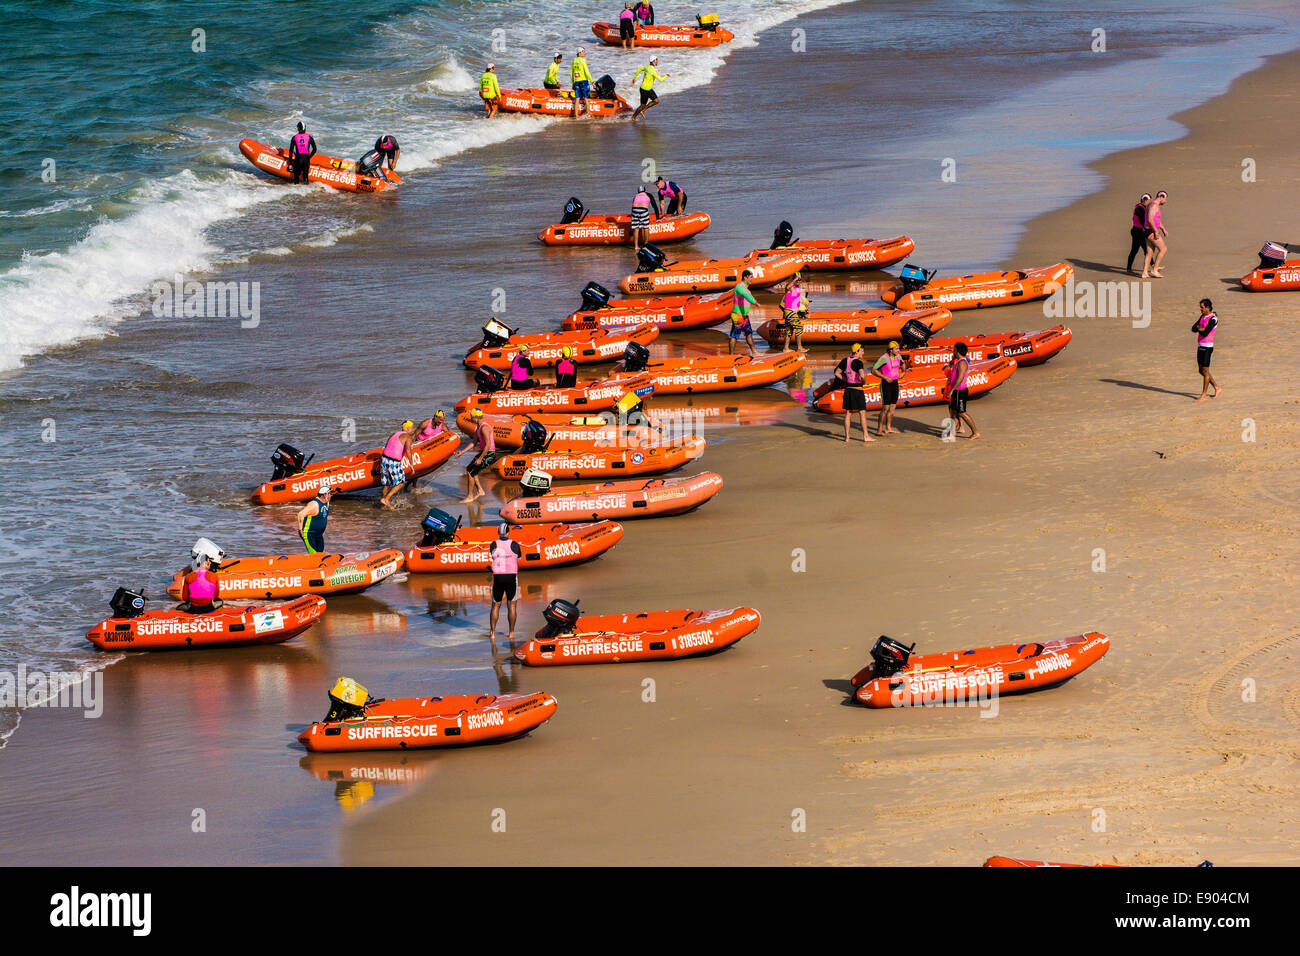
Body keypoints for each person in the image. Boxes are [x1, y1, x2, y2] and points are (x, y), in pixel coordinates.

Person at [488, 523, 523, 639]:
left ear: (498, 533)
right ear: (508, 533)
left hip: (498, 576)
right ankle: (511, 633)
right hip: (511, 577)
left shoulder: (493, 544)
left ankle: (492, 633)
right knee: (511, 605)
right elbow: (518, 558)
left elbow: (492, 556)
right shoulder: (514, 544)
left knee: (495, 605)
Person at [833, 344, 873, 444]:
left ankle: (847, 437)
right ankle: (866, 436)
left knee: (848, 413)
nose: (863, 353)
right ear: (856, 352)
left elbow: (837, 373)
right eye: (862, 351)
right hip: (857, 390)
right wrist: (864, 382)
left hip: (848, 389)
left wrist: (846, 379)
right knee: (862, 413)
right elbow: (862, 376)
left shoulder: (845, 360)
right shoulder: (859, 362)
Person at [943, 342, 980, 440]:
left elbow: (960, 378)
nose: (953, 351)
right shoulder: (958, 361)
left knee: (962, 413)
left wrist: (951, 390)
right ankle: (950, 433)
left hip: (960, 391)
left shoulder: (962, 362)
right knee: (954, 413)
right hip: (957, 391)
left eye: (954, 350)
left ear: (957, 351)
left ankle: (975, 432)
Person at [872, 341, 908, 436]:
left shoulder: (898, 356)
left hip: (895, 383)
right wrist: (885, 377)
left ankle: (888, 428)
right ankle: (879, 429)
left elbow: (904, 367)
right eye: (896, 349)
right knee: (885, 408)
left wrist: (903, 373)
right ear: (891, 350)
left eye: (898, 348)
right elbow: (873, 370)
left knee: (892, 408)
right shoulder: (884, 358)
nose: (898, 350)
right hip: (885, 384)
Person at [461, 408, 497, 503]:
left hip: (489, 453)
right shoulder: (478, 427)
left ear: (476, 417)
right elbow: (473, 442)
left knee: (470, 471)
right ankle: (480, 490)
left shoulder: (484, 428)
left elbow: (488, 444)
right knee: (470, 469)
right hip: (484, 452)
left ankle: (469, 496)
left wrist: (480, 458)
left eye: (471, 417)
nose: (471, 419)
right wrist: (462, 452)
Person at [179, 538, 223, 614]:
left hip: (193, 608)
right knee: (220, 602)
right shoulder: (214, 576)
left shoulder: (188, 576)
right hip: (208, 607)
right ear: (208, 563)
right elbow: (216, 596)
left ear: (197, 563)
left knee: (179, 607)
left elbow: (184, 597)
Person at [378, 421, 415, 509]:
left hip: (384, 458)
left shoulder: (394, 434)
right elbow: (408, 451)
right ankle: (386, 499)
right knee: (401, 483)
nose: (413, 430)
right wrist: (411, 465)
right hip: (393, 461)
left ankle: (383, 504)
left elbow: (386, 446)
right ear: (407, 428)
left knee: (386, 483)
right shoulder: (407, 437)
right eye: (412, 428)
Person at [1192, 298, 1221, 402]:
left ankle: (1203, 395)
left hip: (1207, 347)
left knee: (1206, 371)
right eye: (1200, 307)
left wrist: (1199, 328)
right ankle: (1217, 387)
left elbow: (1205, 332)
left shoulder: (1213, 318)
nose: (1200, 309)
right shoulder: (1203, 316)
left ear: (1208, 307)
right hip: (1200, 345)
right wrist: (1200, 328)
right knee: (1201, 370)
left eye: (1202, 307)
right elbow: (1193, 328)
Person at [728, 269, 758, 357]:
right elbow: (747, 296)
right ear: (745, 277)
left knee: (749, 334)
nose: (752, 279)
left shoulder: (746, 288)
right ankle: (731, 355)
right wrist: (755, 302)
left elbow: (749, 295)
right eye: (751, 277)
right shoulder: (739, 287)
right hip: (738, 315)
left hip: (745, 316)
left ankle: (754, 352)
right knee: (734, 336)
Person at [297, 483, 335, 553]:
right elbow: (300, 514)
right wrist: (300, 529)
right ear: (324, 495)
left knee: (321, 554)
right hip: (309, 534)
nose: (332, 495)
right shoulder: (314, 505)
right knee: (314, 555)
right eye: (330, 493)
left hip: (319, 534)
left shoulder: (326, 502)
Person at [779, 273, 809, 353]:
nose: (799, 281)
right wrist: (794, 280)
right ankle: (799, 348)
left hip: (792, 312)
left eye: (800, 279)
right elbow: (787, 287)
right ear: (794, 279)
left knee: (789, 330)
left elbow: (797, 299)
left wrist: (805, 305)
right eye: (797, 279)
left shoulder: (797, 288)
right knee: (799, 328)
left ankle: (785, 348)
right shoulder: (790, 286)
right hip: (790, 311)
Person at [1142, 190, 1168, 278]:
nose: (1166, 201)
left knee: (1150, 252)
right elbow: (1150, 219)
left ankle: (1145, 272)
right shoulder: (1153, 205)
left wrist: (1163, 228)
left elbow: (1156, 219)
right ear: (1161, 197)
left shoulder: (1153, 204)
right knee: (1163, 249)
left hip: (1148, 231)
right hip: (1151, 231)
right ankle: (1154, 270)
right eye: (1165, 199)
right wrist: (1156, 231)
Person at [1126, 193, 1150, 275]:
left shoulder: (1140, 206)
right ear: (1144, 200)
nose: (1150, 202)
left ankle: (1153, 266)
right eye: (1149, 201)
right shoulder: (1140, 208)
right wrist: (1148, 229)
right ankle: (1129, 269)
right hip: (1138, 232)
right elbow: (1142, 220)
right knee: (1143, 250)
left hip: (1137, 231)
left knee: (1143, 250)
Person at [630, 186, 660, 251]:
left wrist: (633, 215)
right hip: (643, 210)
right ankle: (646, 245)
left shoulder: (636, 196)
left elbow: (633, 206)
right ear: (645, 190)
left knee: (636, 228)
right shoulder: (648, 195)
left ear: (638, 192)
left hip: (634, 210)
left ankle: (636, 246)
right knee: (646, 228)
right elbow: (655, 206)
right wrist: (658, 218)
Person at [571, 48, 594, 116]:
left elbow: (571, 73)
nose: (585, 53)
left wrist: (573, 83)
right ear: (579, 53)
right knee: (586, 98)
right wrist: (592, 82)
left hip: (577, 82)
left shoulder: (574, 60)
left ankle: (576, 116)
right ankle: (588, 114)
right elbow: (587, 72)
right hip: (584, 82)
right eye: (583, 51)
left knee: (577, 98)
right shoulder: (583, 60)